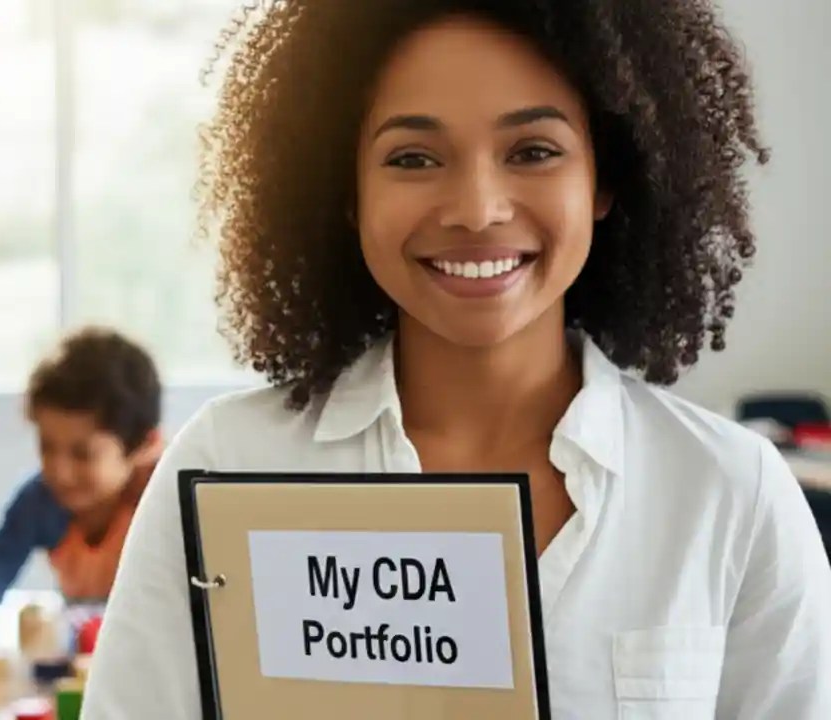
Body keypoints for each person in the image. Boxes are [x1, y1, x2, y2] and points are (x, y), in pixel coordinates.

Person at [82, 2, 831, 718]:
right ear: (345, 191)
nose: (477, 207)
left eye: (533, 151)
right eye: (413, 157)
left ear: (605, 177)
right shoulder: (225, 465)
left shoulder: (732, 495)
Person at [0, 327, 163, 649]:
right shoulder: (40, 502)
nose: (60, 472)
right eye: (47, 446)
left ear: (145, 445)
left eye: (82, 454)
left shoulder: (164, 506)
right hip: (86, 654)